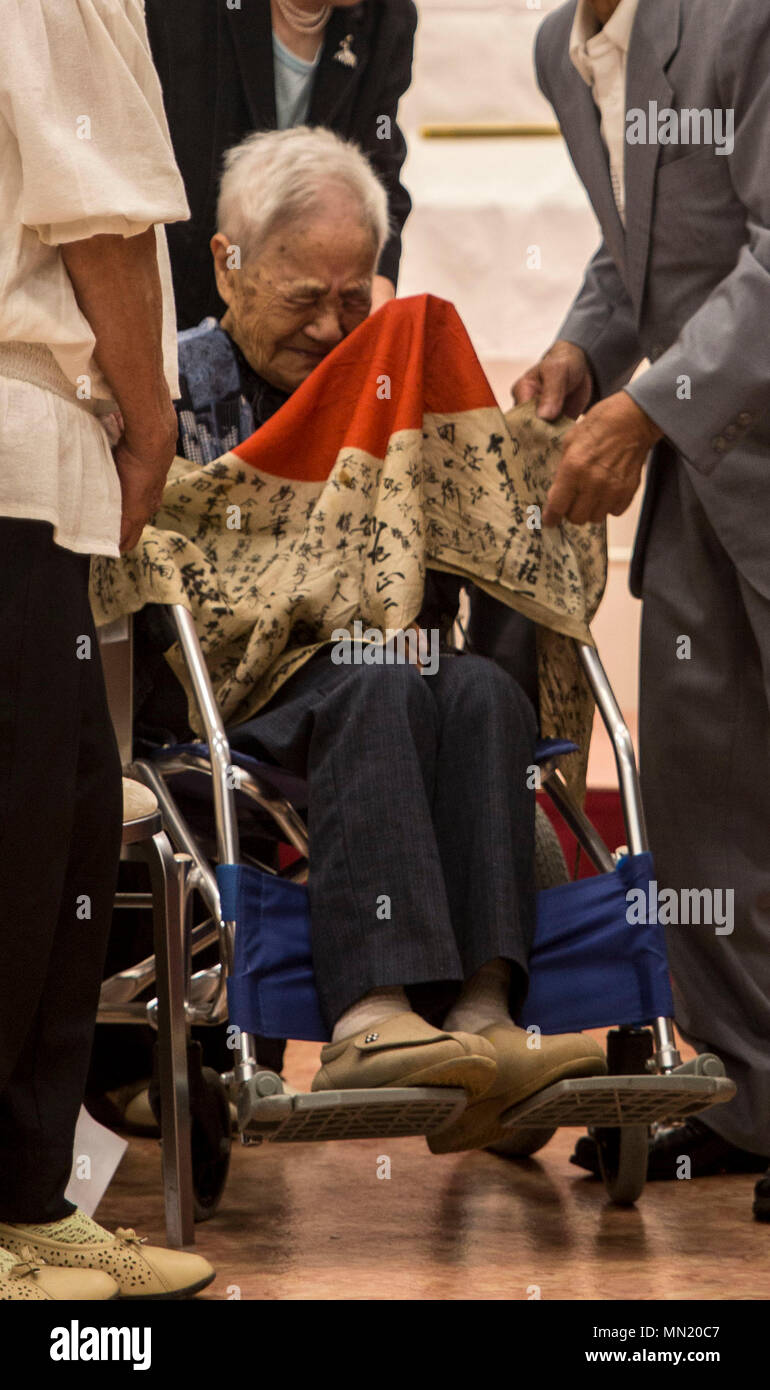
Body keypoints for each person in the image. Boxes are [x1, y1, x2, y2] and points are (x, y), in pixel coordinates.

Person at [112, 125, 608, 1158]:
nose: (331, 326)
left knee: (478, 693)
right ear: (227, 263)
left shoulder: (394, 389)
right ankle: (366, 1018)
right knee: (380, 682)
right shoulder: (169, 388)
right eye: (304, 299)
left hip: (376, 677)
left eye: (354, 298)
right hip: (228, 692)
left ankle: (481, 1020)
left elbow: (476, 522)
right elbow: (158, 557)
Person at [515, 0, 770, 1218]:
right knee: (700, 803)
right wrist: (581, 349)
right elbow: (637, 250)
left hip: (708, 431)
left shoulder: (743, 17)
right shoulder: (558, 49)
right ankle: (740, 1104)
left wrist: (637, 408)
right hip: (699, 467)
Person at [0, 0, 215, 1298]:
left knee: (66, 836)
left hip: (31, 464)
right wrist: (153, 416)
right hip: (18, 453)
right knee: (21, 849)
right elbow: (99, 211)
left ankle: (27, 1199)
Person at [144, 0, 417, 328]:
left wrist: (375, 285)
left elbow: (378, 168)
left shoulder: (388, 17)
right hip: (178, 296)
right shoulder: (174, 11)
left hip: (308, 310)